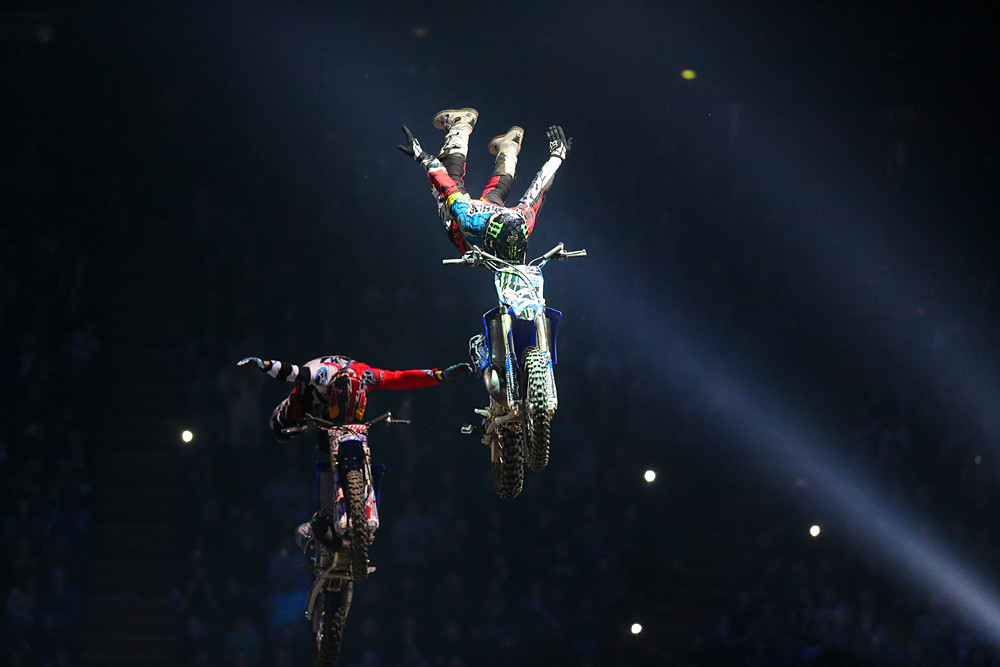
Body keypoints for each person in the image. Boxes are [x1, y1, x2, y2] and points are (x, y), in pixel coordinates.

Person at [396, 108, 572, 262]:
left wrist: (558, 155)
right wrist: (422, 157)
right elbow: (446, 184)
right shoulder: (467, 219)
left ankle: (509, 148)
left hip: (488, 214)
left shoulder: (521, 222)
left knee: (497, 191)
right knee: (449, 178)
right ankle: (460, 126)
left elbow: (538, 189)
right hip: (468, 220)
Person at [236, 355, 471, 440]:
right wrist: (264, 365)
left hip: (339, 396)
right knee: (287, 427)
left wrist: (440, 375)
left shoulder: (364, 375)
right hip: (315, 389)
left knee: (328, 437)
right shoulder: (321, 375)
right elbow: (293, 372)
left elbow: (399, 379)